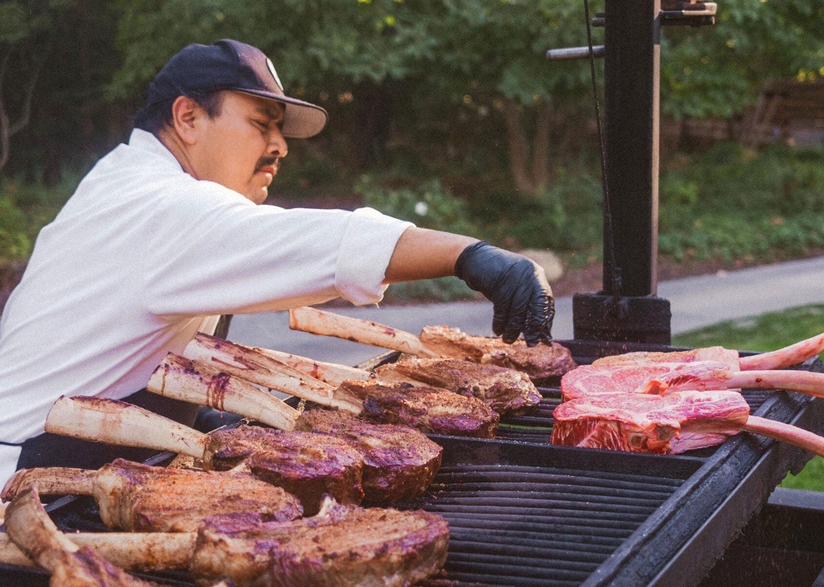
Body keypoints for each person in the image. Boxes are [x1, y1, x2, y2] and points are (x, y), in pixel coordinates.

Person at [0, 39, 554, 484]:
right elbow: (310, 241)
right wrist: (468, 255)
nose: (280, 146)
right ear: (188, 117)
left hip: (82, 455)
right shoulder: (156, 204)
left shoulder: (131, 182)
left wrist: (198, 414)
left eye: (280, 130)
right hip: (30, 482)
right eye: (261, 123)